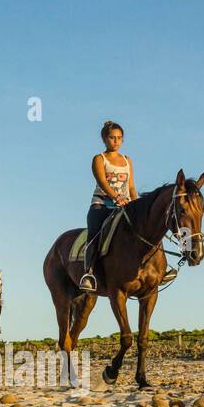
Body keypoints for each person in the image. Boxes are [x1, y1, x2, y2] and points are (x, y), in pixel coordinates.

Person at [79, 120, 176, 292]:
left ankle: (159, 270)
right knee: (94, 236)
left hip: (124, 205)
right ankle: (89, 273)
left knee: (147, 228)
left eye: (119, 138)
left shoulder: (127, 160)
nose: (116, 141)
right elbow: (102, 182)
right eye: (112, 138)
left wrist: (138, 204)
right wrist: (116, 197)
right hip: (101, 205)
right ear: (104, 139)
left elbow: (130, 186)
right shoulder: (99, 159)